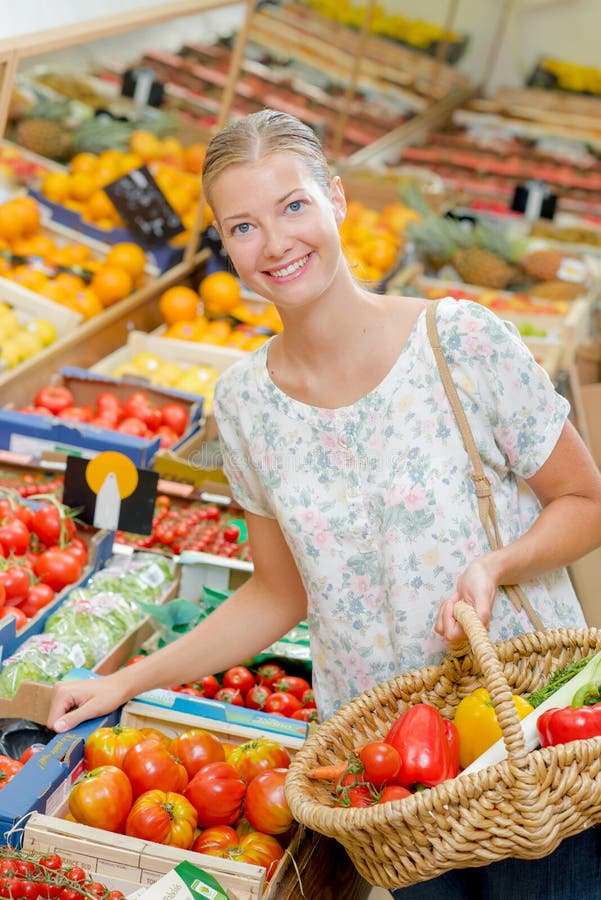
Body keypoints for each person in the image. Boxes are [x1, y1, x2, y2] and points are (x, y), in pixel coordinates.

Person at [47, 109, 601, 898]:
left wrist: (498, 564)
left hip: (526, 733)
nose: (274, 244)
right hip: (385, 775)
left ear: (337, 201)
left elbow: (583, 501)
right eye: (242, 226)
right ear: (223, 242)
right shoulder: (243, 404)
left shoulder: (460, 342)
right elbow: (278, 593)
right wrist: (128, 681)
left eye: (293, 206)